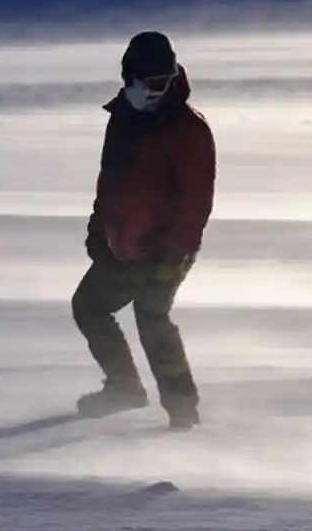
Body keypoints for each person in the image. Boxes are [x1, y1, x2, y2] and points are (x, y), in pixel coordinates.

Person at [72, 31, 216, 430]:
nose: (158, 92)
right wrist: (99, 230)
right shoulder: (123, 118)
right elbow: (111, 180)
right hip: (125, 243)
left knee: (151, 315)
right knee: (88, 306)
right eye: (150, 83)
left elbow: (196, 201)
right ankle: (124, 387)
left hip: (168, 248)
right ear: (129, 77)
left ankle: (182, 407)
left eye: (165, 83)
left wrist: (175, 255)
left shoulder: (187, 129)